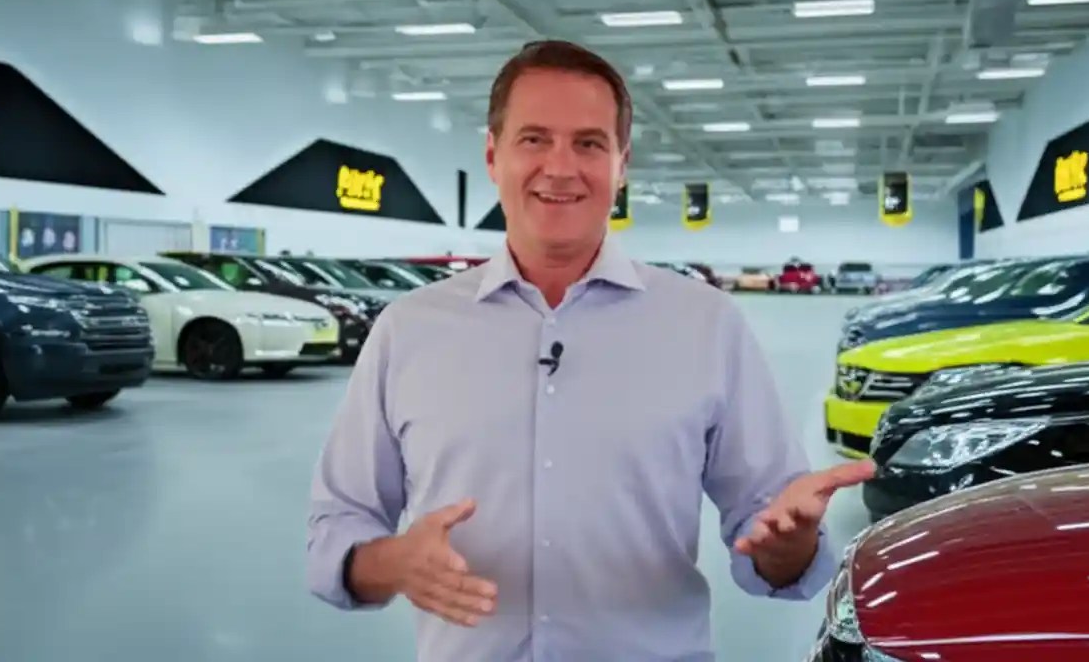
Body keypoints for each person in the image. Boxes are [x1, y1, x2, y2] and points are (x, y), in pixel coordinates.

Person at [306, 39, 875, 661]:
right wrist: (394, 562)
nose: (560, 166)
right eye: (533, 139)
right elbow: (338, 530)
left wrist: (787, 545)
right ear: (493, 156)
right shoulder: (409, 330)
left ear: (621, 164)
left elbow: (772, 527)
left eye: (589, 143)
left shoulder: (705, 324)